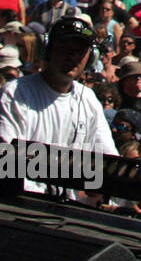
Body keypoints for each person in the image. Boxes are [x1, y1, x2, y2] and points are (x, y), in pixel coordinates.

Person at [0, 15, 118, 197]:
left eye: (79, 51)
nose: (72, 57)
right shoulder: (15, 93)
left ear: (91, 57)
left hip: (68, 212)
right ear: (47, 50)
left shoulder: (88, 99)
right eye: (64, 49)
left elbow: (108, 163)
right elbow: (7, 159)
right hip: (21, 205)